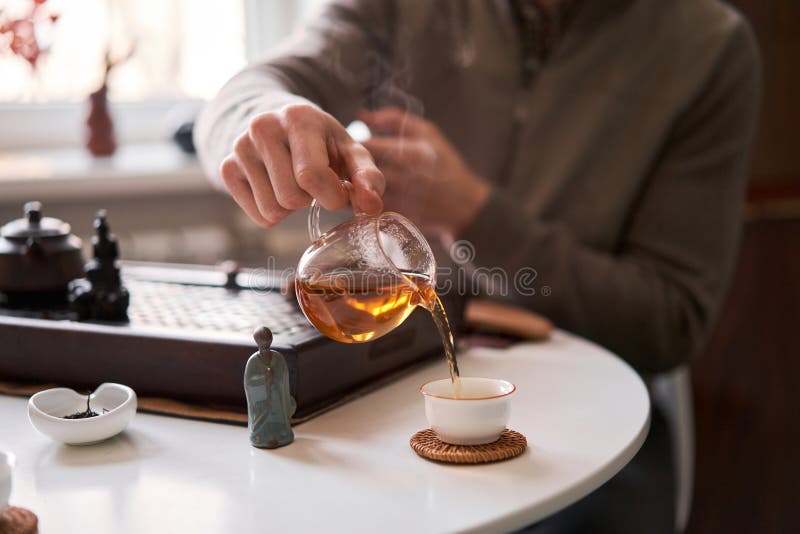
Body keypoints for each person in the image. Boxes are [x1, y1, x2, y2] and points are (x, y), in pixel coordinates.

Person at [196, 0, 759, 531]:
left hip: (590, 433)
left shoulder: (707, 46)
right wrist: (268, 121)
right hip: (388, 393)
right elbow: (250, 91)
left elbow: (670, 321)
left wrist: (473, 214)